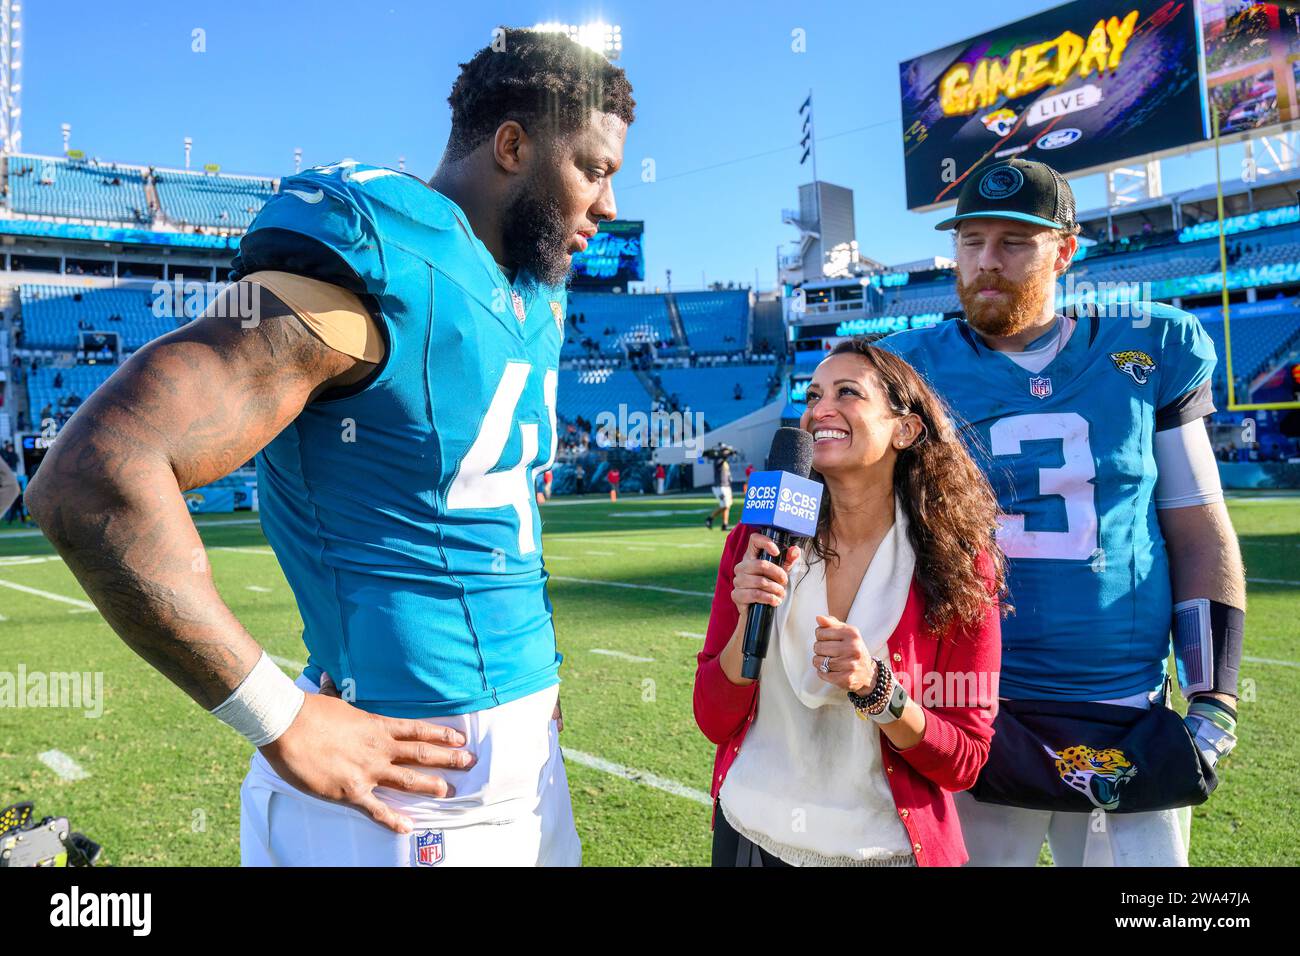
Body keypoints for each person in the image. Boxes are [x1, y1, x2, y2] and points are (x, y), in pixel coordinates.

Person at [28, 29, 634, 867]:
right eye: (593, 170)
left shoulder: (526, 293)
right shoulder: (368, 276)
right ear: (512, 145)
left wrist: (529, 680)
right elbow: (93, 476)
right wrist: (278, 716)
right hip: (402, 796)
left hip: (516, 758)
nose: (607, 205)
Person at [880, 158, 1245, 867]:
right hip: (965, 710)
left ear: (1065, 250)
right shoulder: (903, 370)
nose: (988, 262)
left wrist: (1213, 696)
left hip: (1124, 710)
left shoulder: (1149, 348)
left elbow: (1197, 528)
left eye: (1014, 242)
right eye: (972, 240)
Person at [694, 341, 1003, 867]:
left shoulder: (958, 564)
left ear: (904, 429)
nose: (820, 409)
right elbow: (712, 717)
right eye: (813, 395)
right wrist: (748, 621)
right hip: (751, 836)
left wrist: (879, 691)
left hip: (881, 851)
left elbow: (965, 760)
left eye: (848, 393)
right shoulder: (756, 538)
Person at [706, 453, 732, 531]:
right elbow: (718, 465)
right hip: (720, 487)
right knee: (725, 505)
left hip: (727, 486)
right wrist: (724, 457)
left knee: (727, 506)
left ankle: (725, 525)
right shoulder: (718, 460)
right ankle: (710, 518)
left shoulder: (725, 461)